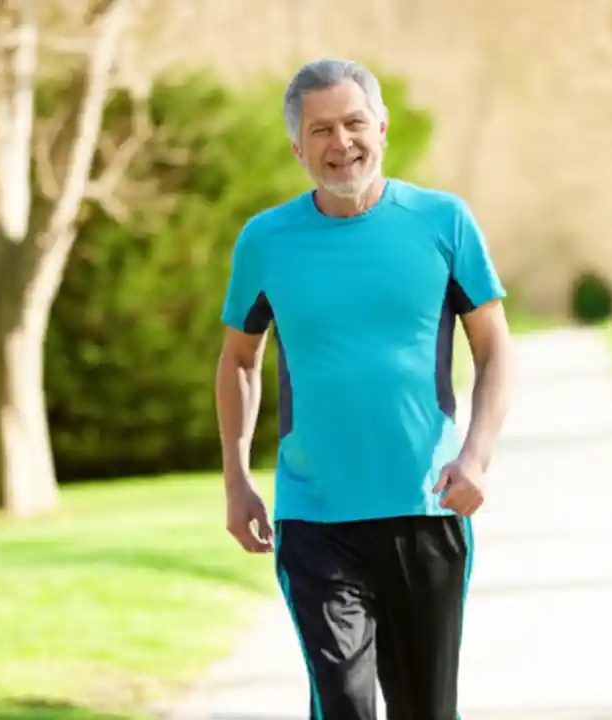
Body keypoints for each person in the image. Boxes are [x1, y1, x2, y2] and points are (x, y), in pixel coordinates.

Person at [214, 57, 513, 720]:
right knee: (344, 706)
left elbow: (493, 348)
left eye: (353, 123)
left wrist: (477, 456)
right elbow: (239, 358)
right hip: (316, 519)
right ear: (297, 147)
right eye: (320, 130)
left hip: (426, 509)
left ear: (381, 126)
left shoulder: (444, 223)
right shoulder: (266, 240)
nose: (340, 142)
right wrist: (237, 480)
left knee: (426, 711)